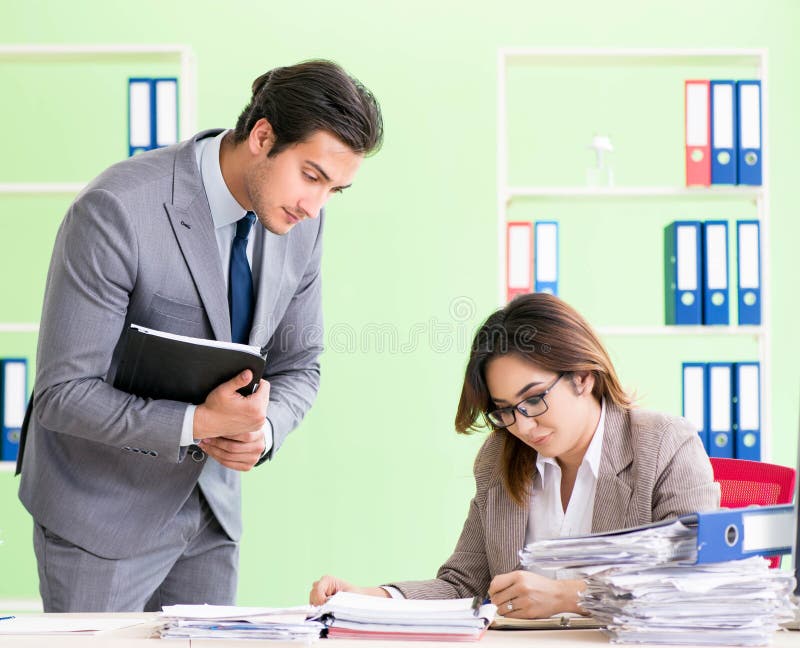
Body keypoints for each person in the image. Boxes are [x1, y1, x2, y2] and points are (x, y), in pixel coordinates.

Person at [17, 59, 383, 612]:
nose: (316, 205)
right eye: (311, 176)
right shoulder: (118, 209)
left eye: (336, 189)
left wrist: (262, 433)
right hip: (101, 513)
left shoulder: (301, 221)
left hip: (211, 516)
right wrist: (199, 424)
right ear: (263, 136)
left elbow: (300, 363)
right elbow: (63, 394)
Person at [309, 293, 719, 619]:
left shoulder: (665, 443)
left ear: (582, 376)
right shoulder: (500, 457)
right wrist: (373, 598)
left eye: (534, 399)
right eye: (504, 410)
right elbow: (464, 586)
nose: (521, 426)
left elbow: (691, 579)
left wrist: (568, 596)